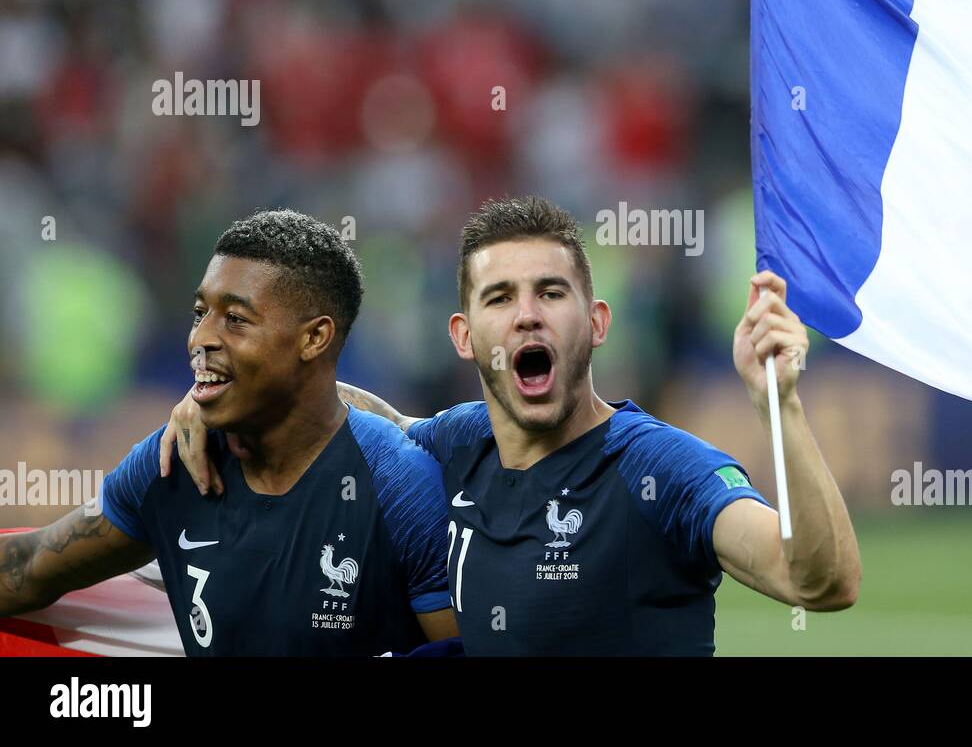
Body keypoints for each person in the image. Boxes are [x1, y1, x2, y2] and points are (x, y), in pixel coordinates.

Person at [167, 196, 860, 655]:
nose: (528, 314)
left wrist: (781, 407)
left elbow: (821, 583)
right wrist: (228, 397)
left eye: (551, 292)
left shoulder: (660, 469)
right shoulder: (457, 446)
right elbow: (369, 422)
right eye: (501, 297)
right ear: (466, 337)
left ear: (595, 324)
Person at [0, 210, 457, 656]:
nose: (202, 338)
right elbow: (33, 567)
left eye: (235, 319)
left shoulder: (398, 483)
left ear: (314, 339)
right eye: (201, 313)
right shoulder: (171, 462)